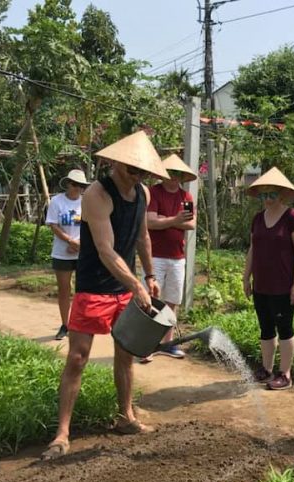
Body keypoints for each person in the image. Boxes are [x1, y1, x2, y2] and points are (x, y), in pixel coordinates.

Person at [42, 131, 169, 460]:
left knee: (126, 356)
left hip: (123, 289)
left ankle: (126, 417)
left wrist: (150, 275)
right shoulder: (96, 194)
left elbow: (142, 237)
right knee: (77, 358)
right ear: (115, 162)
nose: (136, 173)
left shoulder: (142, 193)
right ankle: (62, 433)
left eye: (141, 169)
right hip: (94, 286)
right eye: (131, 167)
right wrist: (137, 285)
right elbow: (104, 249)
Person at [242, 167, 294, 391]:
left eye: (271, 194)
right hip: (262, 284)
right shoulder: (258, 218)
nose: (267, 199)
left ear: (281, 194)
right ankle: (266, 368)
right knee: (265, 328)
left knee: (285, 328)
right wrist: (246, 277)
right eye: (263, 195)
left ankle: (285, 373)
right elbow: (253, 249)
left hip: (283, 285)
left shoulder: (292, 218)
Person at [139, 154, 197, 363]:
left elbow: (190, 224)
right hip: (154, 256)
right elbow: (150, 222)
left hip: (177, 257)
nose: (173, 177)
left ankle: (168, 343)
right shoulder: (153, 193)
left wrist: (166, 220)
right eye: (169, 173)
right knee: (150, 300)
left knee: (172, 301)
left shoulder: (186, 197)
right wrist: (175, 220)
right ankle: (146, 344)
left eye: (177, 173)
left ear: (182, 176)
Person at [46, 169, 89, 340]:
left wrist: (80, 243)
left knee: (83, 289)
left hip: (83, 251)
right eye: (75, 184)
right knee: (64, 289)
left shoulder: (86, 203)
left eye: (81, 186)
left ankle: (80, 324)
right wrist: (70, 241)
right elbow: (53, 225)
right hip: (62, 252)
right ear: (68, 184)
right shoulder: (57, 201)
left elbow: (92, 225)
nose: (78, 188)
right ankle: (65, 324)